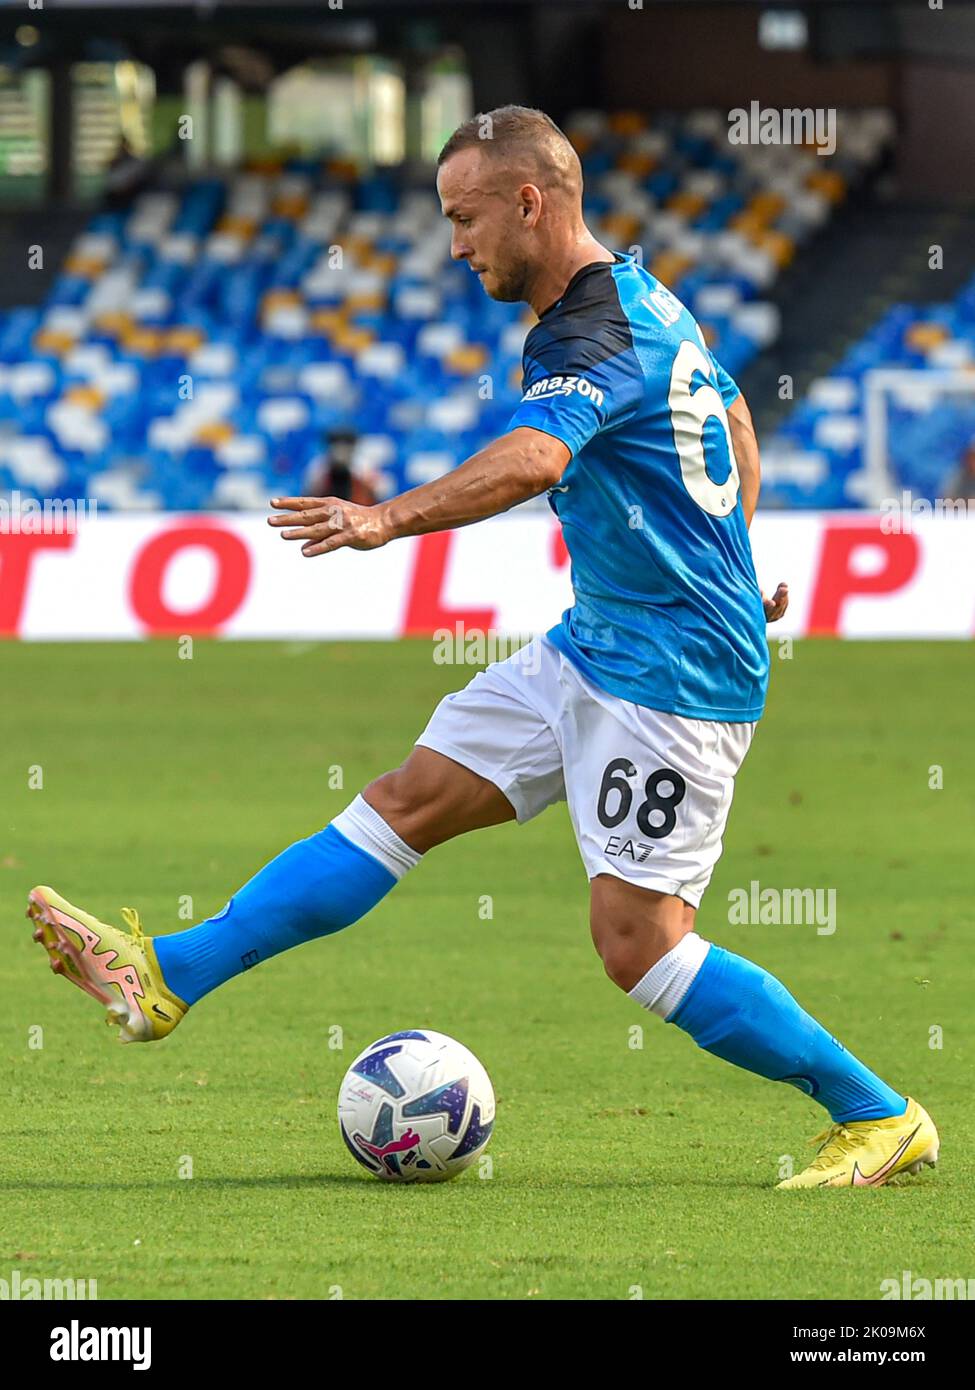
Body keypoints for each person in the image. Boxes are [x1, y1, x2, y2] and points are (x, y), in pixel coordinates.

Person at [29, 106, 937, 1190]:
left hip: (674, 677)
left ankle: (880, 1113)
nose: (455, 244)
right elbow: (734, 418)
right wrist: (730, 547)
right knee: (405, 799)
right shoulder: (638, 294)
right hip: (600, 638)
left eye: (465, 218)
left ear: (530, 202)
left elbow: (536, 460)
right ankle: (169, 974)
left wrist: (384, 519)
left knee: (637, 943)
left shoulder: (589, 332)